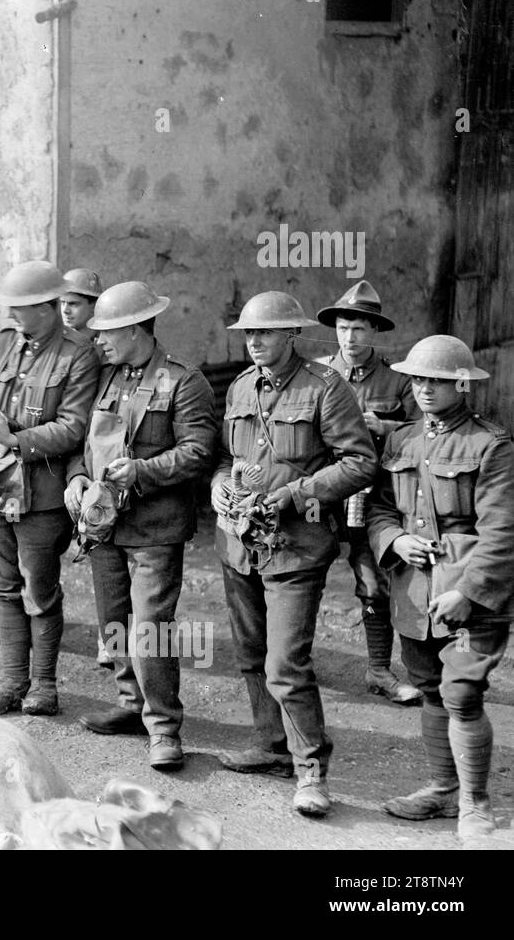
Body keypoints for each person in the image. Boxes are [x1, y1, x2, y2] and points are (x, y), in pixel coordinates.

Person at [210, 291, 377, 817]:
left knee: (286, 663)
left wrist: (297, 493)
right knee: (250, 653)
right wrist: (218, 485)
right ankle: (271, 746)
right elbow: (225, 457)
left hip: (296, 547)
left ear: (292, 336)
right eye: (248, 335)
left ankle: (311, 770)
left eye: (265, 333)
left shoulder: (326, 388)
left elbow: (359, 462)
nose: (255, 342)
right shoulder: (239, 388)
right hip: (238, 543)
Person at [63, 281, 216, 767]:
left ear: (134, 329)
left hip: (154, 527)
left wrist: (144, 471)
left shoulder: (183, 381)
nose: (98, 339)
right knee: (113, 619)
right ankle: (131, 703)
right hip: (103, 525)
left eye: (106, 330)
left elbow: (198, 451)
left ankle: (164, 727)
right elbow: (85, 442)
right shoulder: (106, 376)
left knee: (151, 626)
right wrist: (77, 477)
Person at [366, 336, 514, 842]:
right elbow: (380, 509)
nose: (425, 388)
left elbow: (503, 533)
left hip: (470, 595)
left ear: (462, 384)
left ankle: (475, 803)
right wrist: (395, 539)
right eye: (418, 379)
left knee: (462, 692)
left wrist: (468, 594)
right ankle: (441, 788)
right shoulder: (402, 440)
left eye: (437, 380)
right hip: (413, 590)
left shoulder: (491, 446)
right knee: (430, 687)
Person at [0, 262, 98, 717]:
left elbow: (76, 428)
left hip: (41, 494)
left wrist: (16, 439)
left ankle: (43, 686)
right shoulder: (3, 343)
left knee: (40, 591)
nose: (14, 315)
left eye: (21, 307)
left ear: (48, 307)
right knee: (4, 589)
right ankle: (11, 683)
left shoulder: (79, 353)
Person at [315, 281, 422, 704]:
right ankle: (294, 662)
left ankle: (379, 670)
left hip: (372, 493)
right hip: (322, 492)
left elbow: (422, 435)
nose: (350, 338)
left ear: (374, 331)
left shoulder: (398, 381)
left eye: (359, 329)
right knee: (302, 578)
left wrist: (386, 427)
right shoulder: (319, 373)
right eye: (343, 328)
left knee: (374, 582)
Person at [59, 267, 114, 667]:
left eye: (75, 304)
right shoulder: (58, 347)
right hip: (61, 452)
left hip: (92, 453)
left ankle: (108, 635)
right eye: (61, 303)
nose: (65, 311)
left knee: (100, 548)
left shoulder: (104, 351)